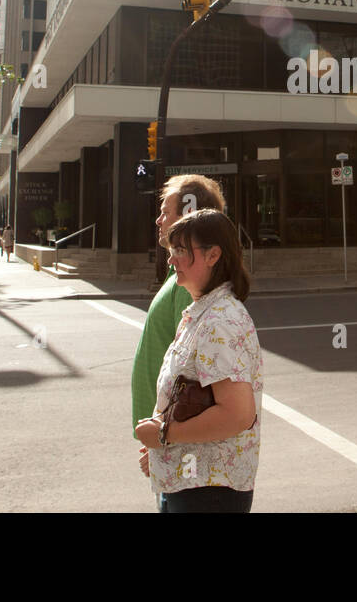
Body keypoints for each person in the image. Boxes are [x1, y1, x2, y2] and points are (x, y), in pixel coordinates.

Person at [134, 209, 262, 512]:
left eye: (180, 250)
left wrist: (165, 435)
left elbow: (237, 414)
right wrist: (162, 446)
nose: (171, 259)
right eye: (170, 250)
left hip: (209, 491)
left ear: (213, 255)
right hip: (193, 482)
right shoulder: (203, 313)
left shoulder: (220, 319)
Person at [131, 175, 227, 441]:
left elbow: (189, 369)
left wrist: (166, 434)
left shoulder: (193, 281)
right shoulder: (180, 275)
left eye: (165, 213)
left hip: (170, 437)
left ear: (189, 215)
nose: (158, 221)